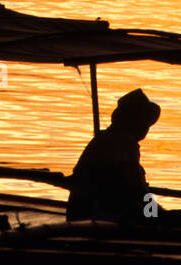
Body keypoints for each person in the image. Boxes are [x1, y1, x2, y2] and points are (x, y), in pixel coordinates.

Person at [66, 88, 161, 224]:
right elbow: (137, 189)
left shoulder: (107, 138)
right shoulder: (123, 142)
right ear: (135, 122)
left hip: (85, 212)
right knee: (177, 218)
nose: (146, 129)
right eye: (144, 122)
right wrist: (158, 214)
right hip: (98, 216)